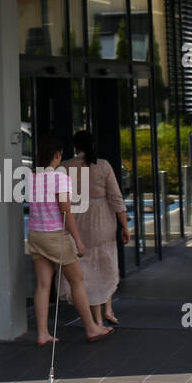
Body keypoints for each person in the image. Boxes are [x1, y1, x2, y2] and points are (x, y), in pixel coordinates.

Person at [28, 136, 114, 345]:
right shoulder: (60, 178)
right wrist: (78, 239)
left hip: (35, 234)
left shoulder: (31, 177)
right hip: (56, 235)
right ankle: (92, 328)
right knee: (77, 281)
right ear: (57, 155)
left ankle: (42, 333)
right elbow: (66, 211)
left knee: (42, 285)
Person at [60, 131, 130, 326]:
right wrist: (125, 225)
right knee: (105, 265)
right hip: (103, 220)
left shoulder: (66, 166)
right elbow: (116, 198)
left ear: (76, 146)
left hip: (79, 220)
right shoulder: (104, 165)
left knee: (87, 272)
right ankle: (107, 310)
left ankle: (98, 317)